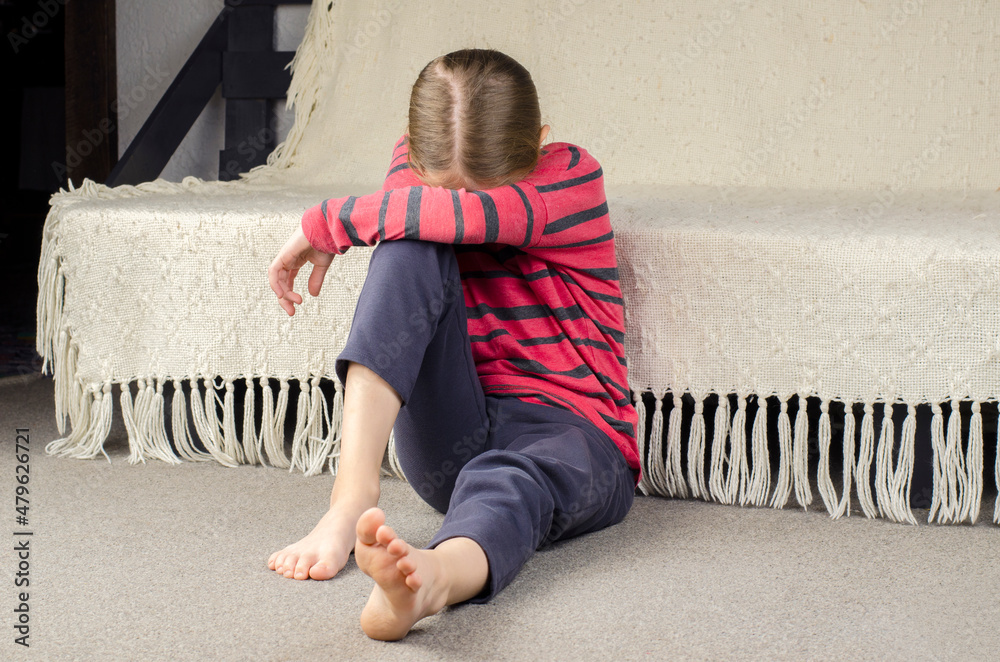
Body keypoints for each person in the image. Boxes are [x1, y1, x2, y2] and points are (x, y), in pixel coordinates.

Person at [266, 48, 640, 641]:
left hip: (572, 434)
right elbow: (419, 216)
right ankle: (350, 497)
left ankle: (435, 578)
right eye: (441, 184)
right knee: (407, 243)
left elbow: (474, 217)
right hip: (451, 433)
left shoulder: (571, 178)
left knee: (514, 482)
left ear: (540, 142)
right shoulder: (410, 181)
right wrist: (367, 219)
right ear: (411, 150)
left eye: (486, 188)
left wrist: (324, 224)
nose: (464, 200)